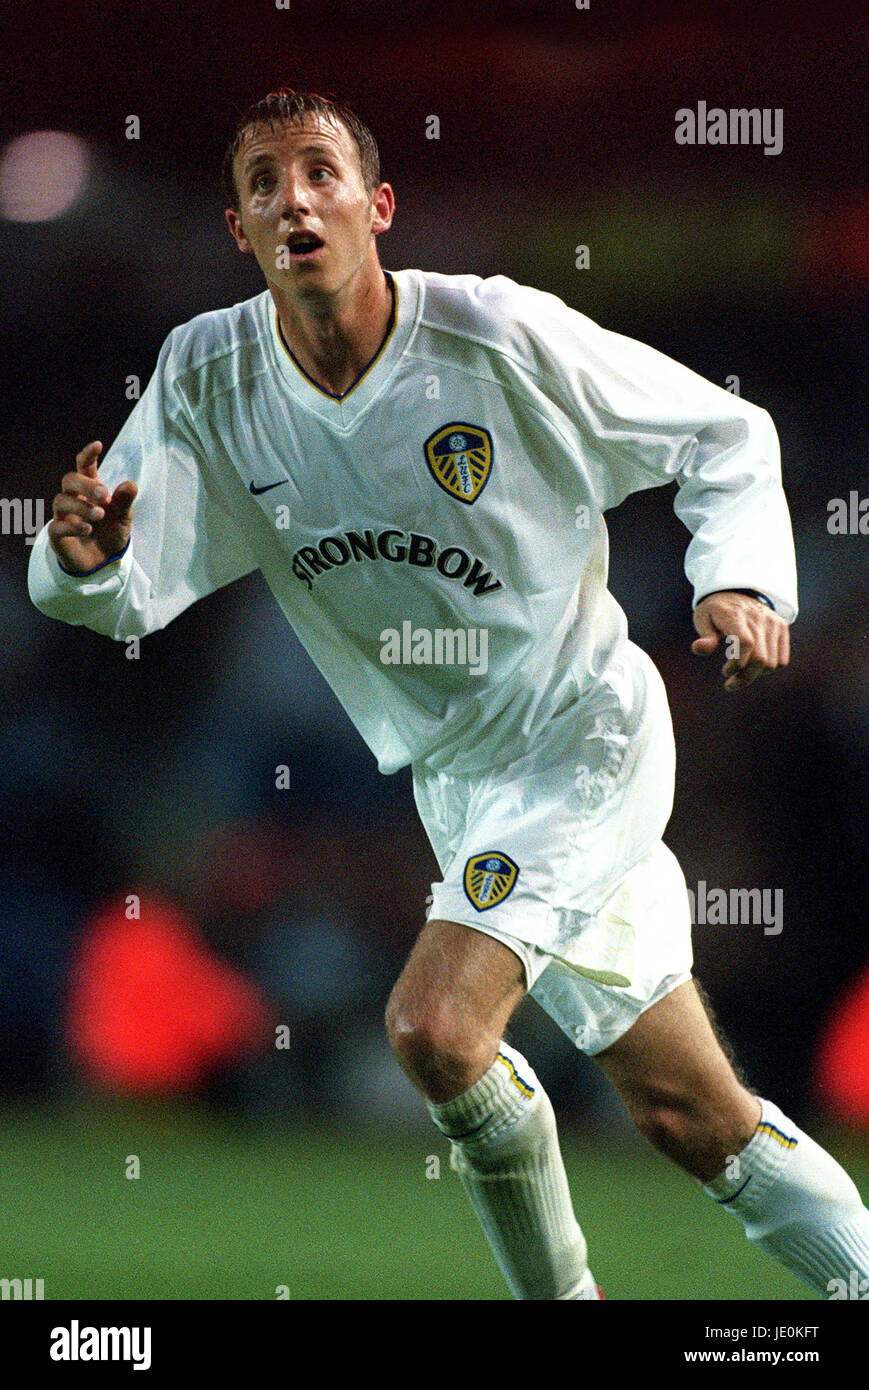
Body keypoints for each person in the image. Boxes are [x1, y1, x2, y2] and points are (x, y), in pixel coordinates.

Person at [28, 88, 869, 1300]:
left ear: (376, 208)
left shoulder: (495, 336)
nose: (292, 199)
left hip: (582, 739)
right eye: (263, 183)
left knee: (434, 1026)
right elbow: (127, 585)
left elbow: (723, 433)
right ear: (238, 228)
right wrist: (80, 558)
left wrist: (737, 584)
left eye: (318, 172)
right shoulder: (208, 373)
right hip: (457, 779)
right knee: (695, 1115)